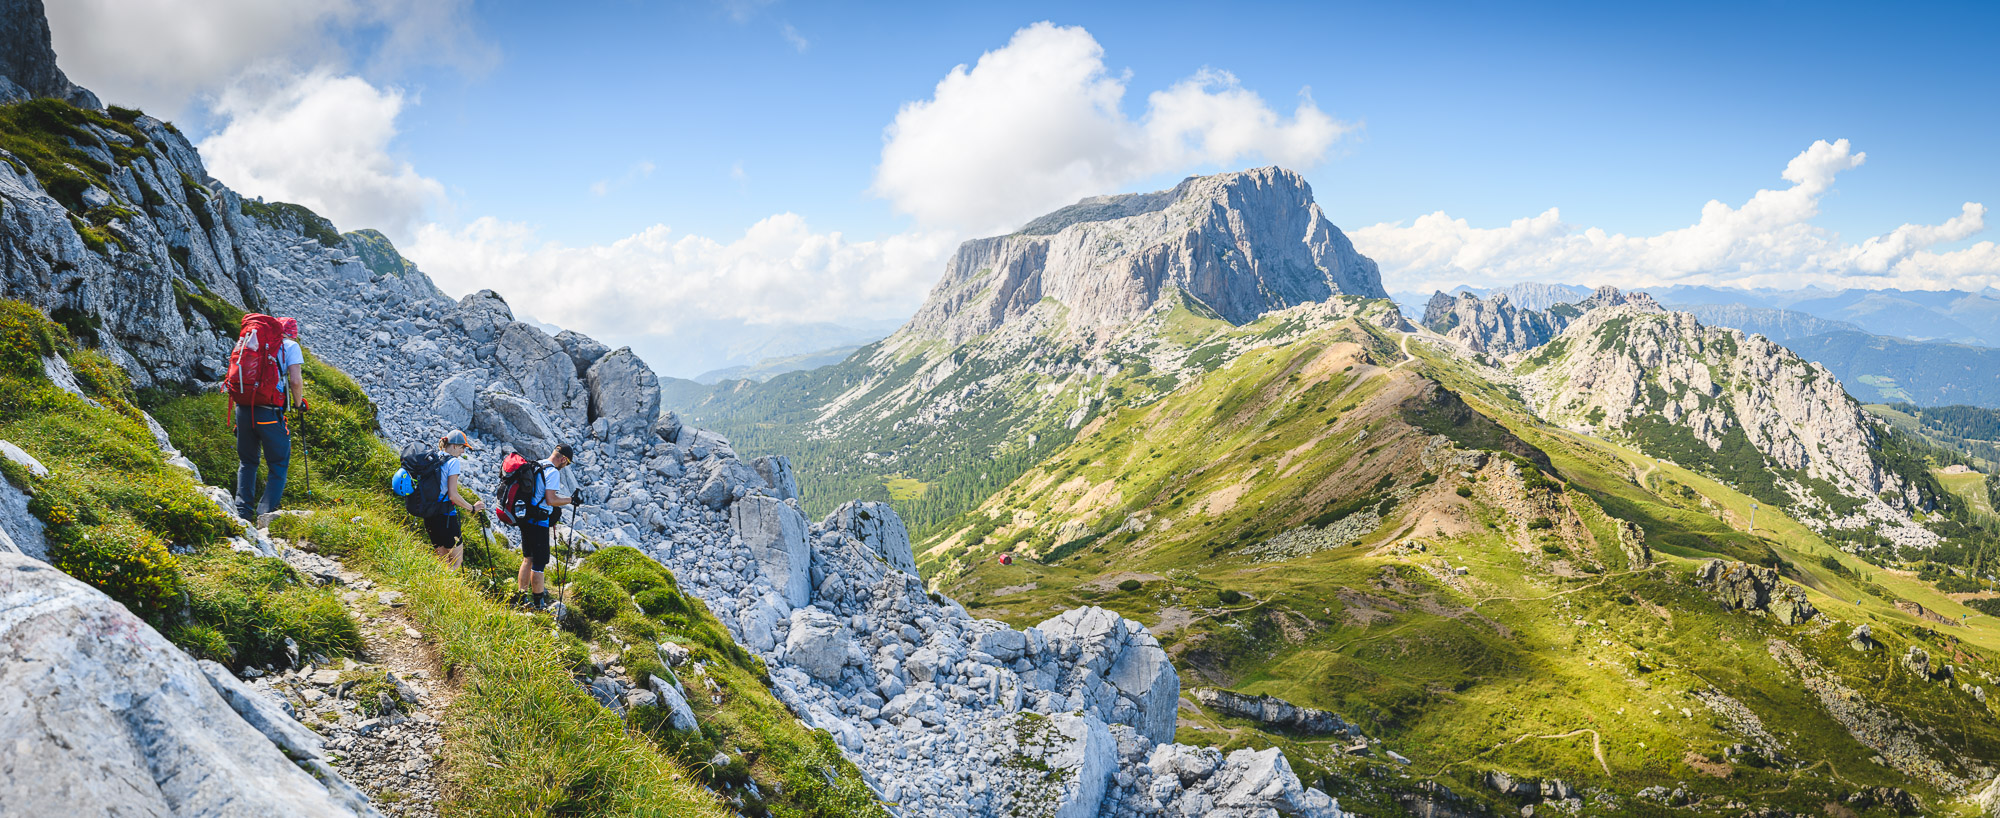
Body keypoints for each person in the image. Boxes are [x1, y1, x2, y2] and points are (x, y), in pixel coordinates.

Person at [236, 316, 307, 521]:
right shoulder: (290, 346)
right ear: (292, 333)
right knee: (278, 464)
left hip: (243, 408)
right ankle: (264, 516)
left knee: (248, 461)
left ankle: (242, 511)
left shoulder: (252, 340)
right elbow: (295, 380)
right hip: (268, 411)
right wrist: (298, 403)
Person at [516, 443, 576, 609]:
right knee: (539, 562)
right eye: (567, 463)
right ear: (563, 459)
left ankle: (521, 597)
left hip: (526, 518)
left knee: (527, 558)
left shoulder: (538, 464)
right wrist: (571, 500)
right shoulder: (553, 472)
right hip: (539, 522)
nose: (566, 466)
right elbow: (551, 499)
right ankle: (538, 602)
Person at [427, 430, 487, 568]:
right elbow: (452, 495)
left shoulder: (434, 457)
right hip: (446, 517)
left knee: (442, 561)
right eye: (462, 447)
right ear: (454, 446)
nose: (463, 452)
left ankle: (438, 587)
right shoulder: (453, 462)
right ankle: (447, 589)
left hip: (429, 514)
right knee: (456, 562)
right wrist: (473, 508)